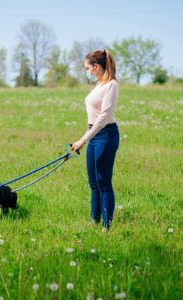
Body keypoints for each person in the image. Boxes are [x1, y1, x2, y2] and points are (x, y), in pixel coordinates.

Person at [71, 49, 119, 230]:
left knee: (104, 182)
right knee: (94, 183)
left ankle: (107, 227)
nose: (87, 72)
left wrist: (83, 140)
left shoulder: (111, 86)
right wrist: (86, 137)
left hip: (106, 135)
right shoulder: (100, 84)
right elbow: (93, 118)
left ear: (96, 66)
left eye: (88, 68)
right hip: (94, 134)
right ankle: (94, 221)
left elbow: (103, 117)